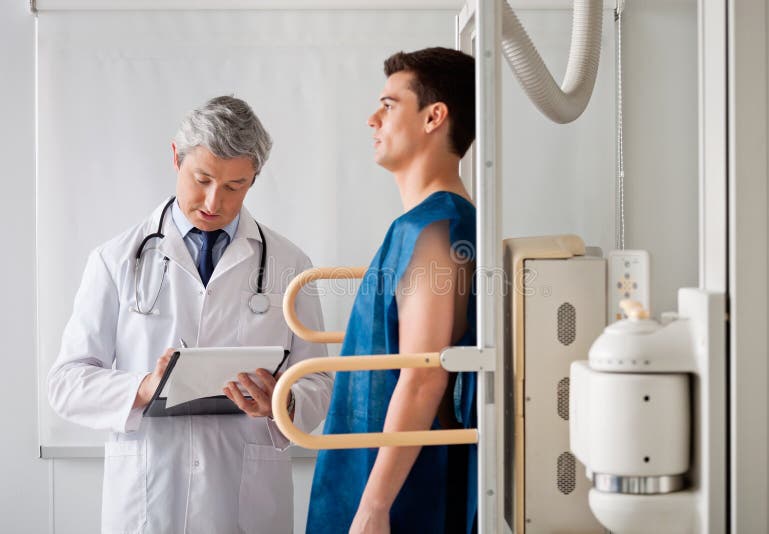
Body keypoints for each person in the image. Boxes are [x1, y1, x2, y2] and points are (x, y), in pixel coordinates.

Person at [48, 95, 332, 534]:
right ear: (176, 157)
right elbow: (66, 384)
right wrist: (143, 387)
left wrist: (284, 401)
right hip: (149, 499)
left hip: (246, 502)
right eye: (202, 179)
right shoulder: (115, 260)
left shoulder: (290, 264)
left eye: (235, 186)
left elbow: (319, 381)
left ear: (254, 178)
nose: (214, 201)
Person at [306, 47, 478, 533]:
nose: (372, 119)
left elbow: (424, 376)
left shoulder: (434, 230)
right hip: (384, 475)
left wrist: (374, 506)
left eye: (388, 104)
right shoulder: (422, 226)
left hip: (404, 498)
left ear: (433, 117)